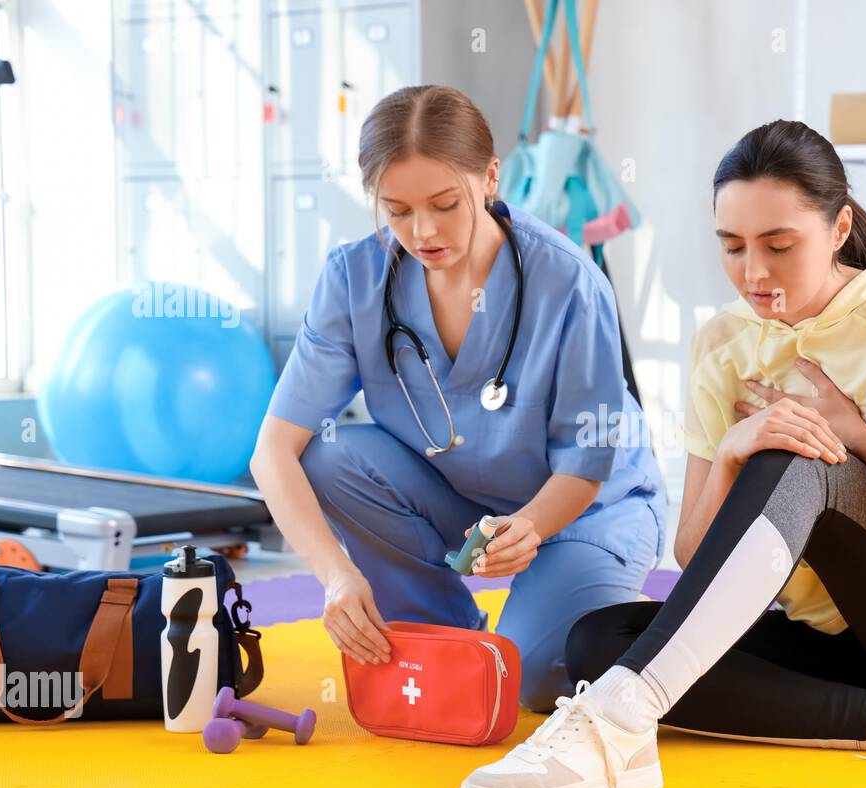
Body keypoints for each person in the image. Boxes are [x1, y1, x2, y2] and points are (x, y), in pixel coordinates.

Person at [458, 119, 866, 788]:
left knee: (803, 451)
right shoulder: (720, 347)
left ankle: (619, 724)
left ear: (838, 230)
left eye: (779, 246)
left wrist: (856, 435)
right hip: (850, 651)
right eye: (734, 247)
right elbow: (692, 553)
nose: (754, 273)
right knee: (598, 641)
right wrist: (735, 452)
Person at [250, 85, 665, 710]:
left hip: (587, 511)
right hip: (462, 506)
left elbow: (586, 464)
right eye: (396, 210)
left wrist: (528, 528)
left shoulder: (568, 281)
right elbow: (274, 451)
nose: (423, 232)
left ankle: (584, 594)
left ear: (491, 177)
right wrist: (336, 576)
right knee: (328, 457)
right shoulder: (354, 279)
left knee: (531, 683)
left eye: (446, 204)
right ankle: (443, 632)